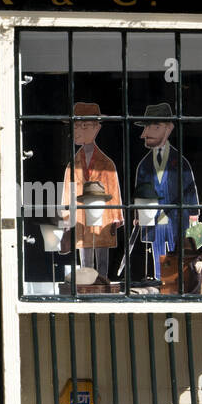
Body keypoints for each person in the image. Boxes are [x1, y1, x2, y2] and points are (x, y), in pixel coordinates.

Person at [133, 102, 199, 279]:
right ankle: (159, 282)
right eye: (148, 126)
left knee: (177, 253)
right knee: (157, 254)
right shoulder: (144, 165)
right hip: (153, 219)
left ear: (168, 128)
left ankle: (176, 282)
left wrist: (193, 212)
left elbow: (189, 186)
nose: (148, 132)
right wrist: (138, 215)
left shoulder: (181, 162)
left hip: (175, 218)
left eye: (156, 126)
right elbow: (140, 192)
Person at [60, 102, 123, 277]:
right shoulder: (72, 165)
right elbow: (67, 194)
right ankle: (88, 283)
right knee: (85, 260)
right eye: (76, 126)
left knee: (102, 258)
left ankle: (102, 283)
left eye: (84, 126)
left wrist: (117, 217)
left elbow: (114, 190)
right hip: (81, 218)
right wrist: (66, 219)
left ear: (97, 128)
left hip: (103, 217)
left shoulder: (107, 164)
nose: (78, 130)